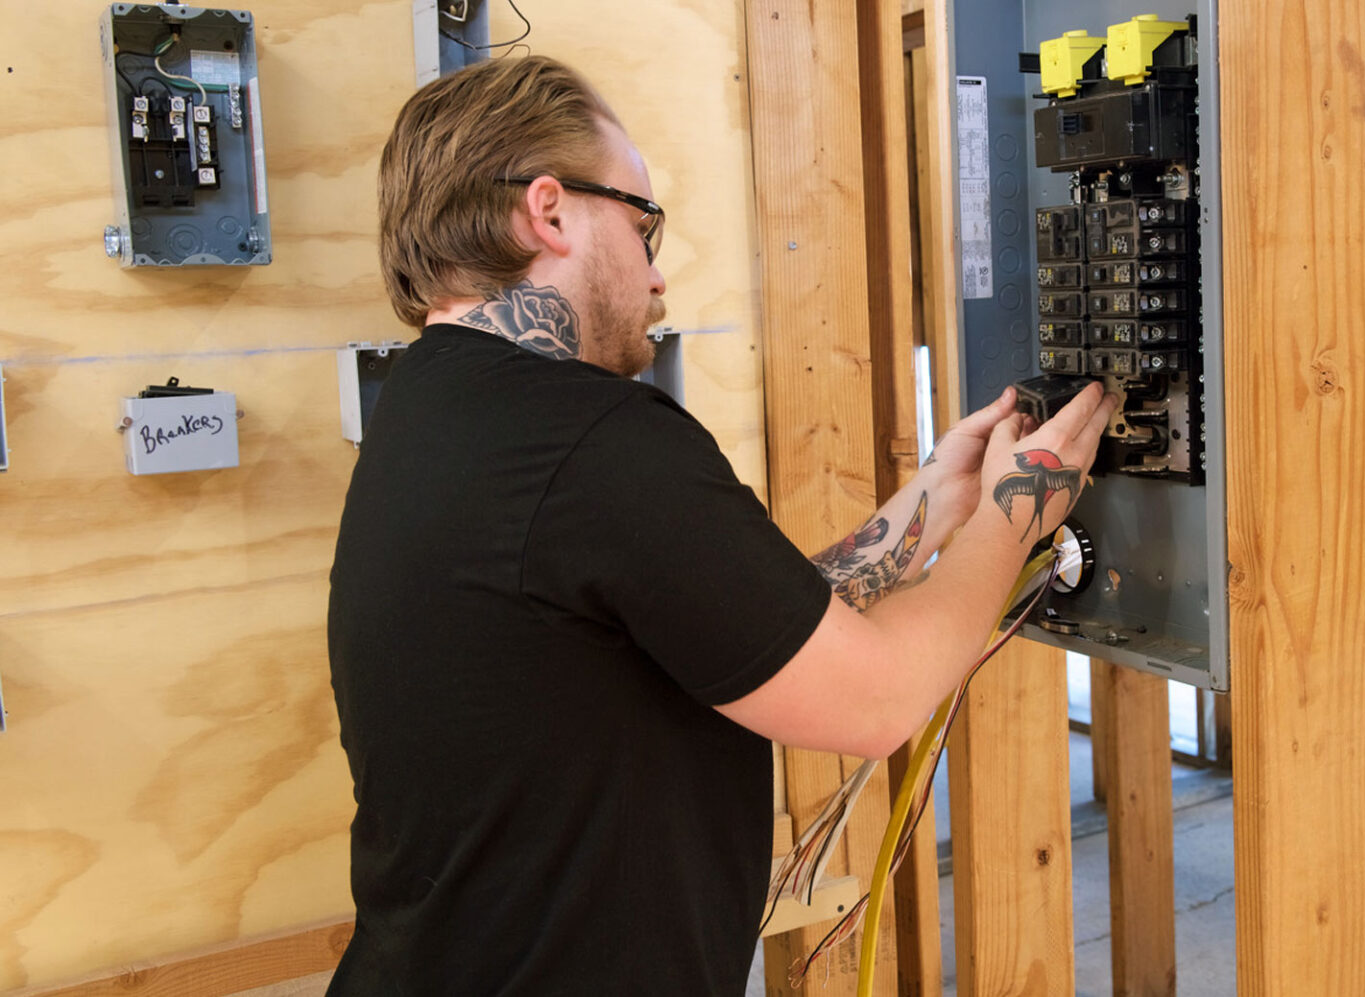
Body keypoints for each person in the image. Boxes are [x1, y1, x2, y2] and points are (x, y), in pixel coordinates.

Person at [326, 54, 1114, 996]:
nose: (658, 278)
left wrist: (940, 497)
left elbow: (737, 624)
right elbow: (876, 703)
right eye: (642, 223)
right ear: (548, 210)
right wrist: (1010, 514)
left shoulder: (431, 413)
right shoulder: (591, 439)